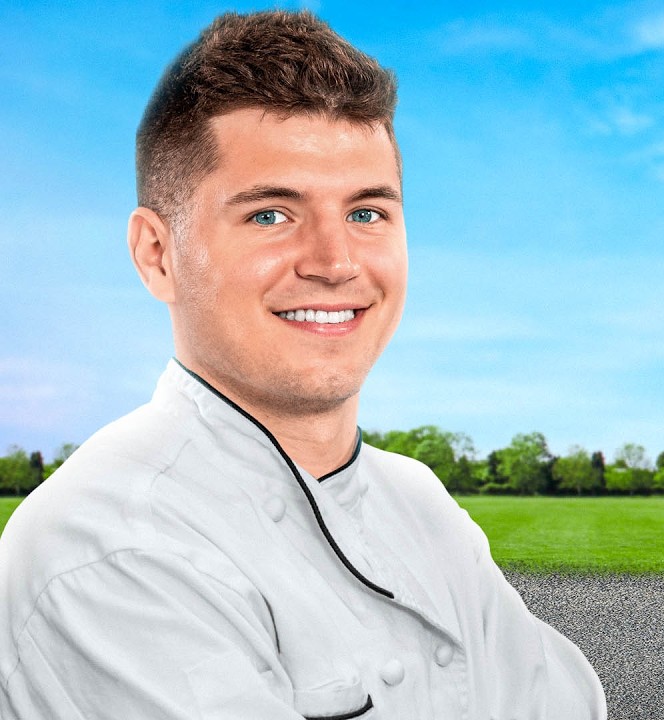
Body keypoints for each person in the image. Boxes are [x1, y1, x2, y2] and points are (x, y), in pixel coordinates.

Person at [0, 10, 605, 719]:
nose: (335, 262)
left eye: (367, 213)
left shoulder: (418, 504)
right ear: (156, 254)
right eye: (270, 215)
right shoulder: (108, 551)